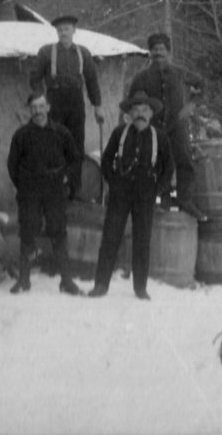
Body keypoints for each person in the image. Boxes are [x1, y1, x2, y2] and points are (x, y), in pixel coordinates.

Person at [88, 88, 175, 301]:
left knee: (142, 240)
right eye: (136, 109)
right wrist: (114, 182)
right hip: (120, 193)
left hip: (145, 195)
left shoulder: (160, 137)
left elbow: (169, 168)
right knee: (110, 237)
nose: (140, 114)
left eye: (145, 109)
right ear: (130, 113)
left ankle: (140, 288)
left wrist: (157, 189)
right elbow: (106, 161)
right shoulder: (120, 133)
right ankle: (100, 285)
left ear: (151, 113)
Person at [6, 90, 83, 295]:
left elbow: (75, 159)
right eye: (33, 108)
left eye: (41, 107)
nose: (38, 111)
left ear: (48, 108)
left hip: (55, 190)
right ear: (29, 110)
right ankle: (23, 279)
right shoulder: (21, 135)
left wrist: (66, 177)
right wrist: (24, 185)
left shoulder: (62, 133)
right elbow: (12, 166)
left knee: (58, 231)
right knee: (28, 231)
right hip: (29, 191)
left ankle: (66, 281)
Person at [133, 32, 207, 221]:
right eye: (155, 50)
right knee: (158, 163)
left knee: (184, 161)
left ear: (168, 52)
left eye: (162, 50)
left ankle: (185, 200)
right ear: (150, 53)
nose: (159, 53)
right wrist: (141, 115)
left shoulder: (179, 72)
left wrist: (191, 105)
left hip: (177, 124)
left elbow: (202, 84)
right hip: (155, 127)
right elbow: (131, 99)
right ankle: (163, 199)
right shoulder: (142, 77)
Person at [29, 15, 105, 156]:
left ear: (74, 30)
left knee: (76, 142)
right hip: (54, 101)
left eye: (66, 29)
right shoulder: (46, 52)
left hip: (76, 101)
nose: (63, 33)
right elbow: (35, 78)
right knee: (54, 141)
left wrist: (98, 106)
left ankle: (75, 176)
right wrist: (40, 101)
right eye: (60, 30)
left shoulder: (83, 52)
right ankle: (56, 175)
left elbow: (92, 81)